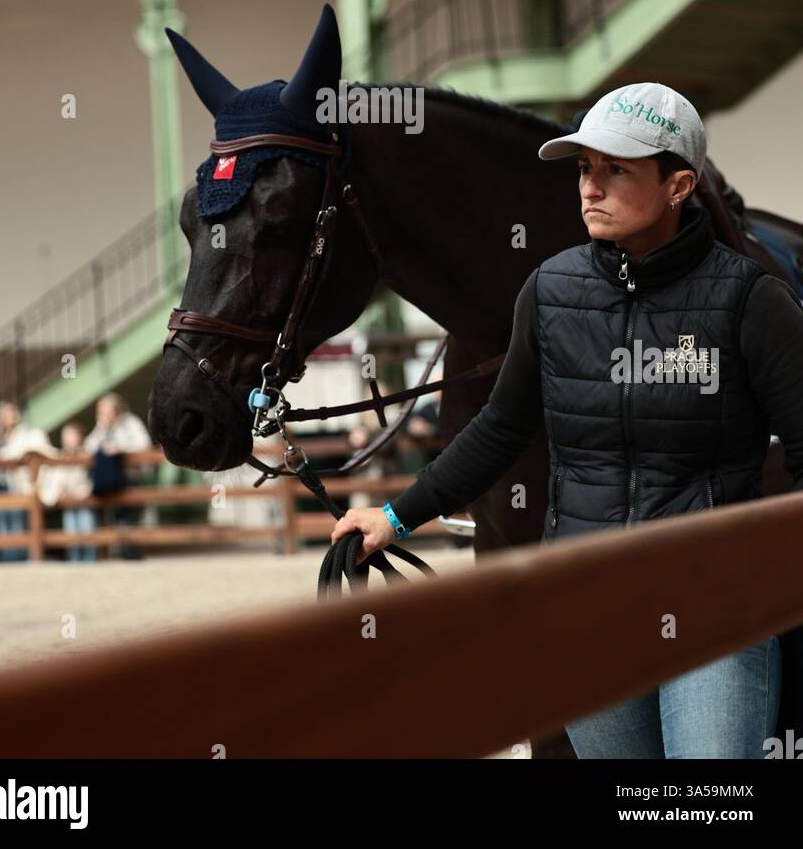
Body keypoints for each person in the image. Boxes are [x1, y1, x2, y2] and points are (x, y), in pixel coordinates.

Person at [332, 81, 803, 759]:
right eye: (585, 168)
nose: (590, 187)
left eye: (617, 169)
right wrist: (397, 516)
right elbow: (499, 428)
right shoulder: (550, 295)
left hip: (714, 610)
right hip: (587, 609)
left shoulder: (751, 301)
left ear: (678, 186)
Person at [0, 401, 55, 562]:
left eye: (13, 413)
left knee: (18, 523)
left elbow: (17, 453)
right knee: (3, 524)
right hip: (0, 485)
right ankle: (7, 560)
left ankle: (19, 559)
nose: (11, 417)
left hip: (17, 484)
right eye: (7, 414)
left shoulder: (24, 433)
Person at [84, 393, 153, 559]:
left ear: (116, 409)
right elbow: (88, 447)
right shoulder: (102, 427)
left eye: (105, 410)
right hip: (109, 482)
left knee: (130, 517)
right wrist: (101, 428)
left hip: (132, 478)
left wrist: (120, 447)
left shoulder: (131, 423)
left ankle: (131, 551)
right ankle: (116, 549)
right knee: (113, 516)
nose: (103, 414)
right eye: (100, 411)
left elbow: (144, 445)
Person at [36, 421, 97, 562]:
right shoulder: (60, 457)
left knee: (87, 534)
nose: (68, 439)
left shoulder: (87, 454)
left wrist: (82, 493)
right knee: (71, 536)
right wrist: (58, 492)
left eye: (71, 435)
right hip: (68, 502)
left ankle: (90, 564)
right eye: (66, 435)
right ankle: (75, 565)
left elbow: (89, 480)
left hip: (84, 501)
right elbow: (57, 480)